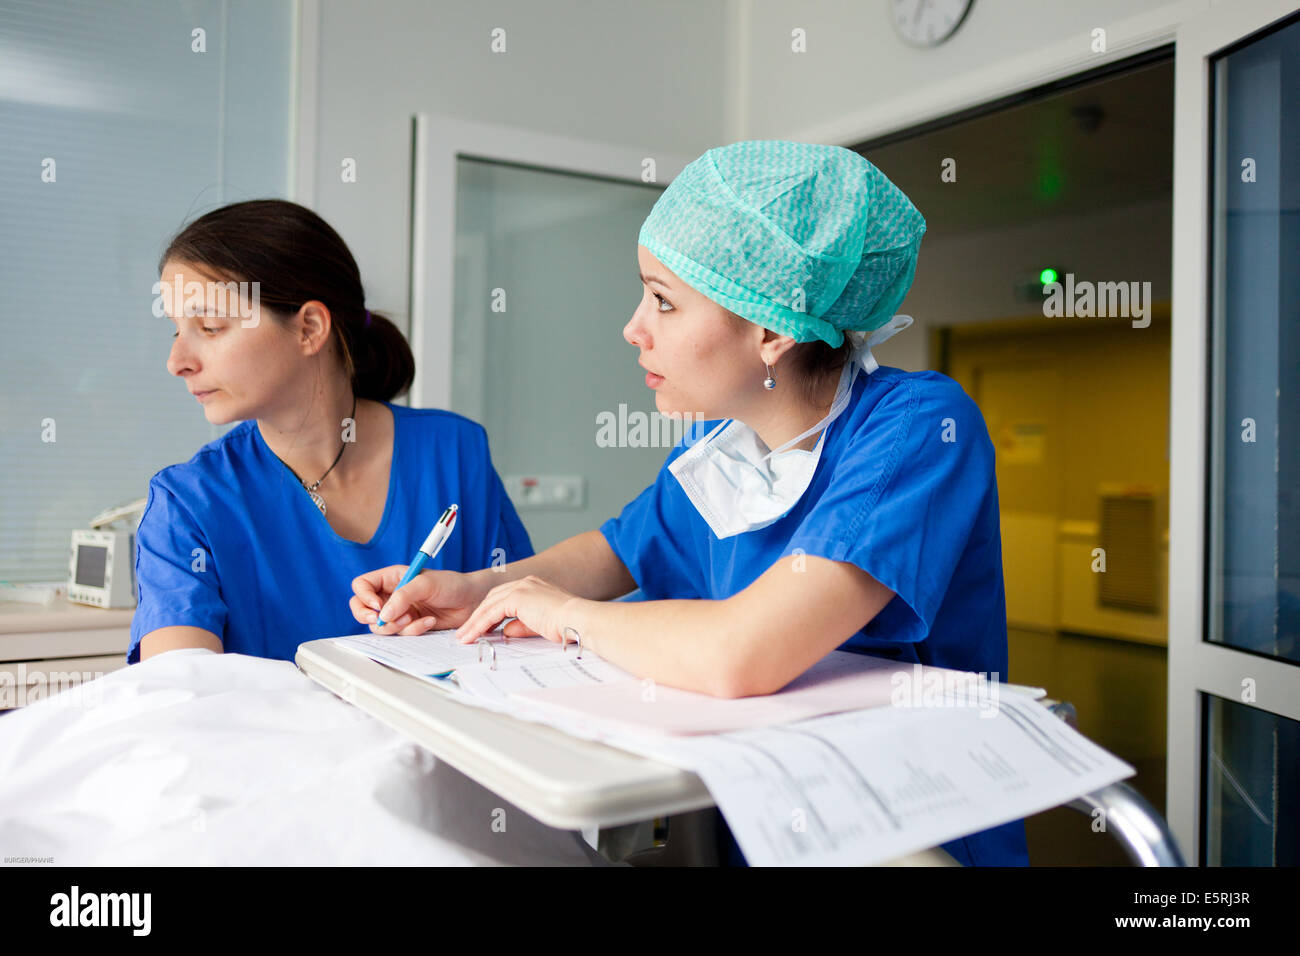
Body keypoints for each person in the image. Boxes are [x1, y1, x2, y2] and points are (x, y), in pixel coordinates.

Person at [350, 141, 1029, 866]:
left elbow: (744, 654)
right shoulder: (722, 441)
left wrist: (568, 616)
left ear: (770, 329)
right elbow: (620, 547)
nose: (633, 327)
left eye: (664, 300)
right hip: (767, 798)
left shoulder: (916, 430)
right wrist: (480, 591)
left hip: (906, 822)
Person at [128, 199, 530, 664]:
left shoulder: (455, 453)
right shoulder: (188, 505)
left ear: (309, 328)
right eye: (176, 331)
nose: (177, 362)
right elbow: (182, 698)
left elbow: (520, 630)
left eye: (210, 327)